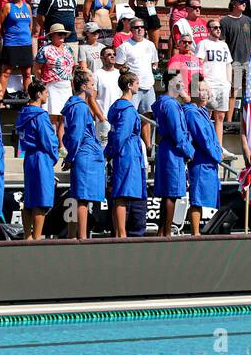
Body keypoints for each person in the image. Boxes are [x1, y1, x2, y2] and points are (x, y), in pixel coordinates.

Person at [61, 69, 106, 240]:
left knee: (78, 195)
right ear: (84, 85)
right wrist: (71, 155)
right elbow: (76, 133)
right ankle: (82, 236)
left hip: (82, 152)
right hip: (84, 153)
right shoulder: (79, 107)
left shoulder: (75, 105)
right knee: (82, 197)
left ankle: (74, 235)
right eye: (93, 85)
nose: (95, 89)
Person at [106, 72, 148, 238]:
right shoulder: (128, 110)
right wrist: (112, 151)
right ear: (129, 86)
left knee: (120, 193)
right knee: (122, 194)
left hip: (124, 151)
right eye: (137, 83)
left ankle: (119, 232)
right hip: (127, 153)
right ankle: (121, 233)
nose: (139, 85)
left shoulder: (118, 107)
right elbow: (122, 135)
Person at [153, 74, 194, 237]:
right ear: (170, 83)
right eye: (178, 82)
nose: (182, 85)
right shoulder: (170, 105)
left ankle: (163, 231)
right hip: (172, 150)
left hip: (167, 148)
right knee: (171, 193)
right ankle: (166, 233)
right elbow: (177, 132)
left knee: (168, 194)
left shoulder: (164, 103)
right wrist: (190, 151)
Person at [182, 79, 224, 236]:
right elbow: (203, 138)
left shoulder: (202, 111)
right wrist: (216, 154)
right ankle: (195, 232)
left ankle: (200, 231)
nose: (205, 93)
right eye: (201, 90)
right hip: (200, 159)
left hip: (208, 159)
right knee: (197, 198)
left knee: (204, 197)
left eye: (207, 90)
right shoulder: (192, 113)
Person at [15, 78, 56, 240]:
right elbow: (48, 139)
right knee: (41, 199)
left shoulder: (23, 113)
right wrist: (53, 156)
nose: (47, 95)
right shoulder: (40, 115)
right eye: (45, 92)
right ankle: (37, 237)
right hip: (41, 157)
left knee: (30, 198)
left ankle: (27, 235)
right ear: (39, 94)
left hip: (29, 157)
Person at [115, 17, 158, 148]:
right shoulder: (124, 46)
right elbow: (118, 66)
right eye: (136, 27)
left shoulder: (150, 44)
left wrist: (154, 69)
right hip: (132, 88)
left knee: (147, 117)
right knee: (130, 115)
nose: (140, 29)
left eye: (142, 27)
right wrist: (126, 73)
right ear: (131, 30)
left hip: (148, 85)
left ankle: (148, 146)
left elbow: (154, 61)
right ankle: (131, 143)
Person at [220, 0, 251, 121]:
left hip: (248, 62)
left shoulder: (248, 20)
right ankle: (229, 121)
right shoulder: (224, 21)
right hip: (233, 63)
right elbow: (222, 44)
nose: (244, 4)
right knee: (233, 93)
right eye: (241, 2)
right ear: (233, 3)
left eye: (244, 2)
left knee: (250, 93)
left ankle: (248, 122)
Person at [36, 23, 75, 144]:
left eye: (63, 34)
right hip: (52, 85)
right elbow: (37, 67)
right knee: (52, 116)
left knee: (63, 118)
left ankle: (61, 145)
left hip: (66, 85)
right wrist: (42, 81)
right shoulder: (45, 49)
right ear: (52, 36)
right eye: (59, 34)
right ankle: (52, 143)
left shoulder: (68, 48)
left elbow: (72, 66)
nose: (62, 36)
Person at [197, 18, 234, 145]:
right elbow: (199, 63)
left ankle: (218, 146)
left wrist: (229, 82)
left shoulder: (224, 45)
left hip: (223, 84)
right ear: (209, 30)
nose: (218, 29)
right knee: (205, 114)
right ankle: (204, 144)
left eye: (219, 27)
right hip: (209, 83)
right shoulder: (203, 44)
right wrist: (203, 82)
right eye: (215, 27)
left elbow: (229, 64)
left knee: (220, 117)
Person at [0, 0, 34, 93]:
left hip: (26, 44)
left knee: (27, 73)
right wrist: (6, 36)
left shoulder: (27, 6)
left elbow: (30, 25)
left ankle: (29, 98)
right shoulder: (8, 6)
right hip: (11, 44)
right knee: (6, 72)